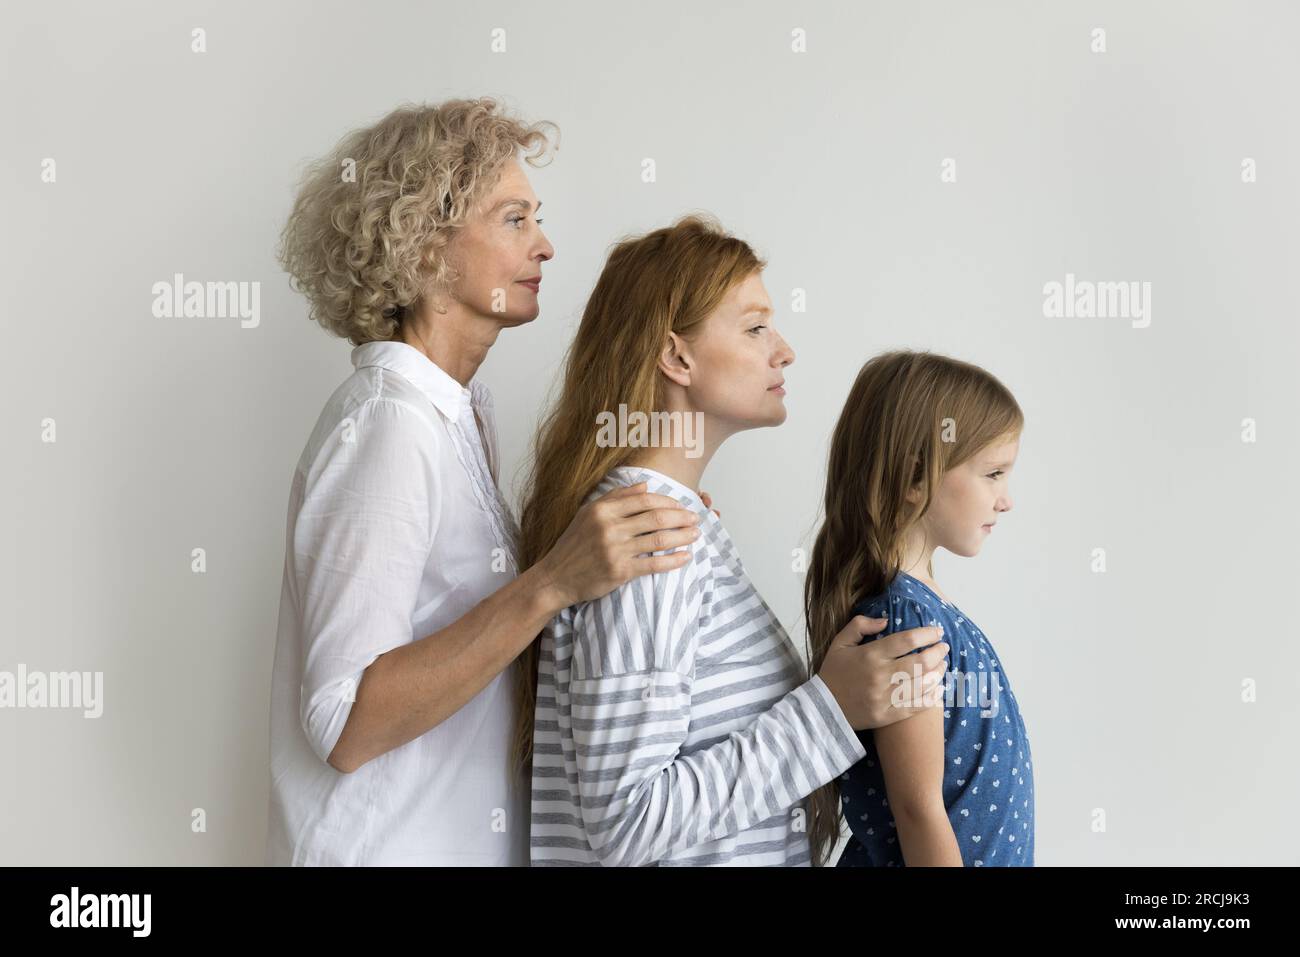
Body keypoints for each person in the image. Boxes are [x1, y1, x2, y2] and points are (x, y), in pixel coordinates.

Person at [267, 98, 703, 865]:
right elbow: (343, 723)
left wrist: (642, 522)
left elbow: (476, 624)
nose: (546, 245)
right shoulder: (388, 425)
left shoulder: (458, 417)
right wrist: (550, 583)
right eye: (514, 220)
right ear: (424, 244)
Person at [518, 216, 950, 865]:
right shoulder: (648, 537)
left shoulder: (677, 524)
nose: (784, 350)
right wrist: (828, 709)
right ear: (676, 356)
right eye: (755, 327)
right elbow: (625, 825)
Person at [803, 350, 1034, 866]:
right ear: (915, 480)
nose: (1006, 499)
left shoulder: (927, 611)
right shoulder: (906, 624)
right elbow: (918, 808)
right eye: (993, 473)